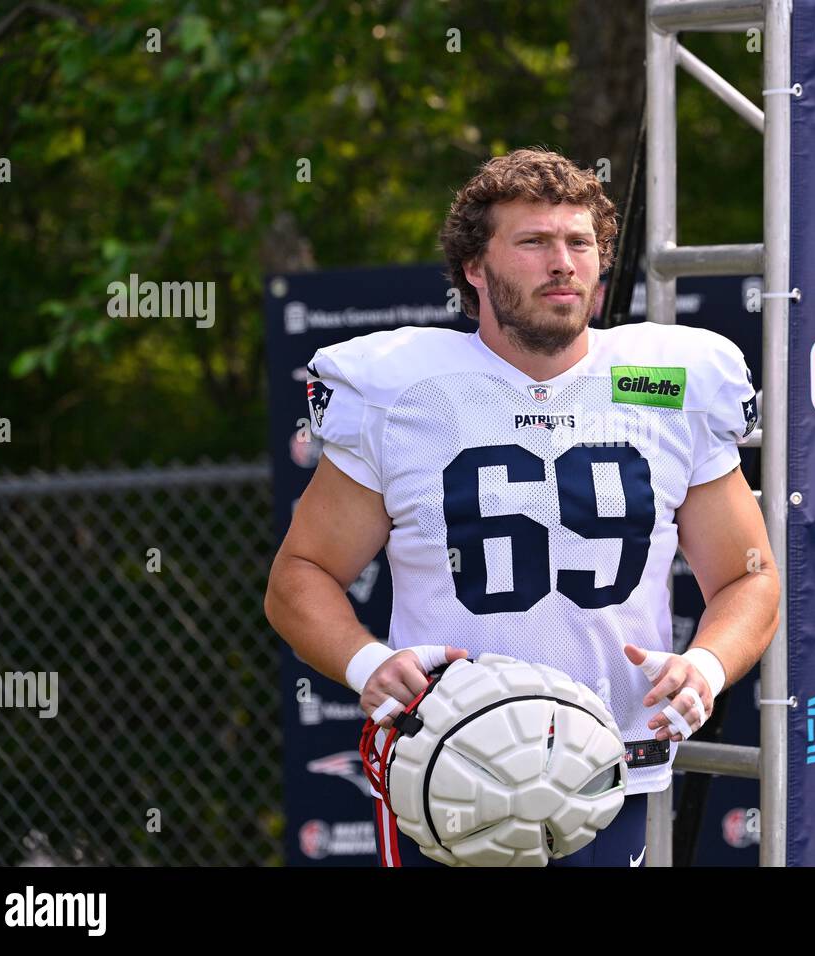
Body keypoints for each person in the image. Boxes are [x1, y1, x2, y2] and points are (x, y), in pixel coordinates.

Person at [265, 147, 780, 867]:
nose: (563, 263)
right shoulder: (403, 392)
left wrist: (708, 665)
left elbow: (748, 576)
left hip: (605, 771)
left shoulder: (669, 383)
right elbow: (301, 574)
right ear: (474, 267)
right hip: (446, 769)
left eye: (580, 243)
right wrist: (365, 663)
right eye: (534, 242)